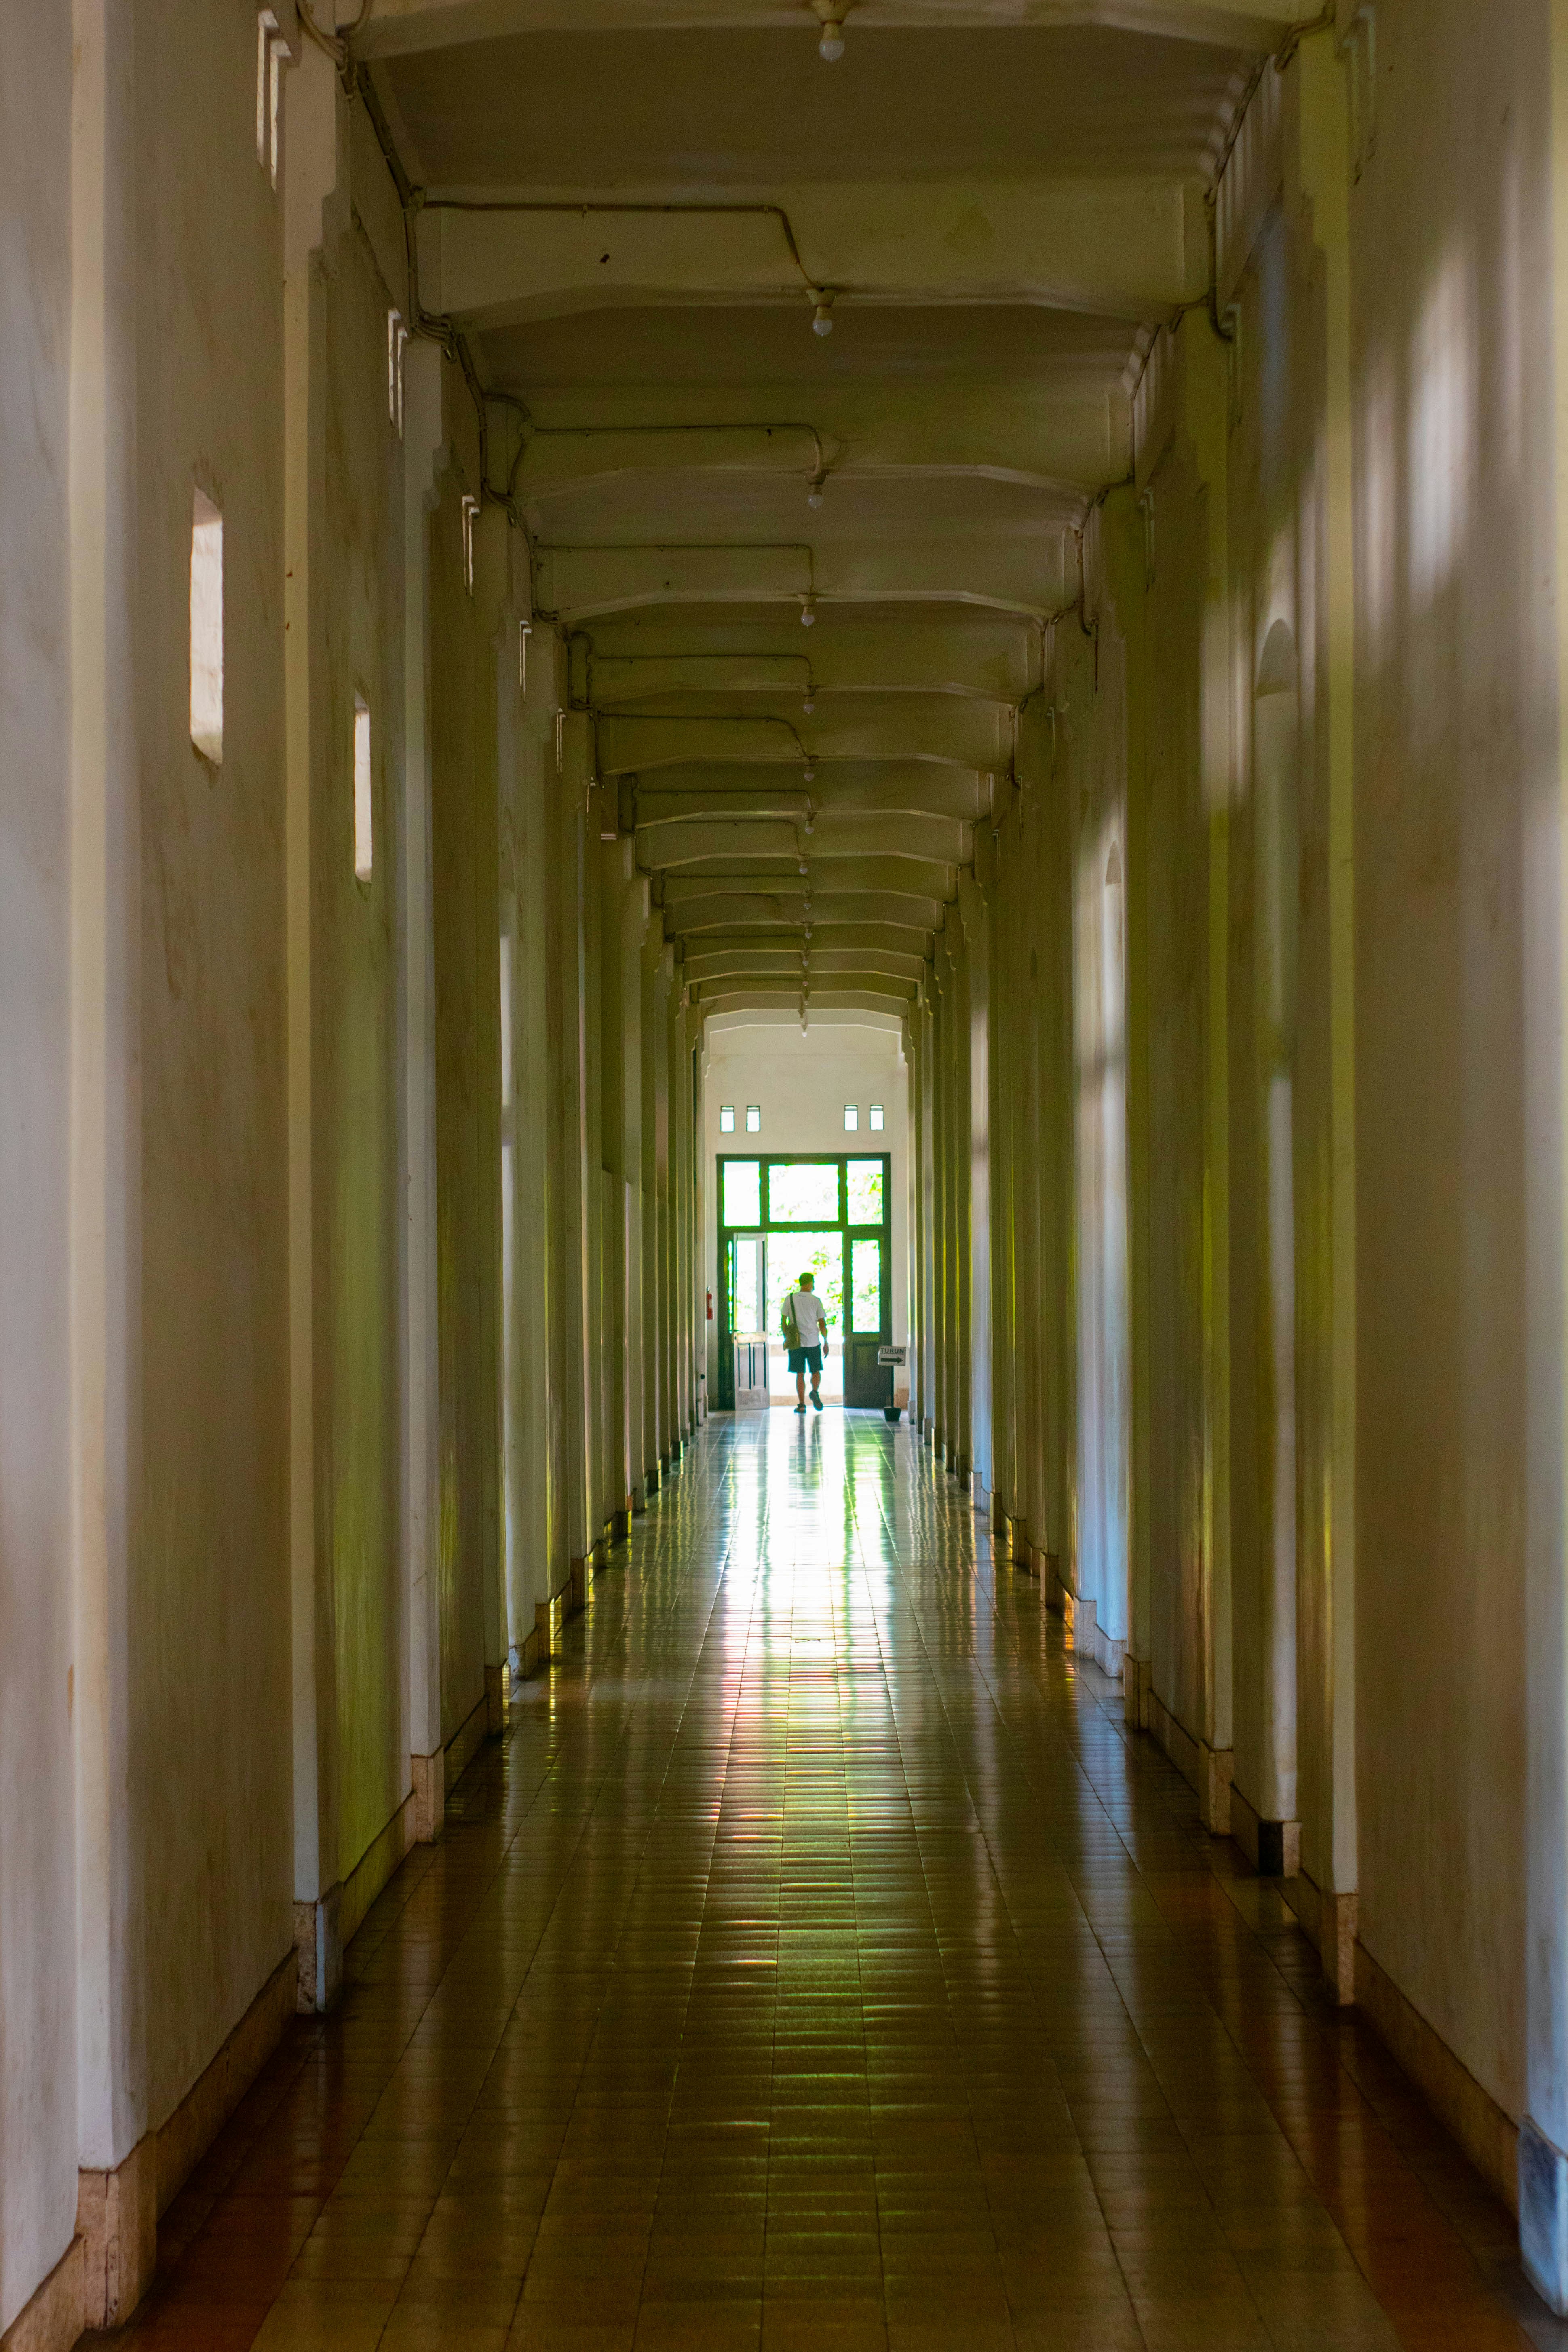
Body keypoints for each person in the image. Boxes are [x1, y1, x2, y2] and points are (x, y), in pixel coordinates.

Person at [784, 1271, 831, 1413]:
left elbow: (783, 1321)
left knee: (800, 1374)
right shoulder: (816, 1300)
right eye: (813, 1283)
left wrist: (786, 1338)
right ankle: (815, 1392)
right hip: (813, 1342)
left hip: (796, 1343)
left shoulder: (790, 1299)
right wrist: (826, 1341)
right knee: (816, 1371)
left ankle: (802, 1405)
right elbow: (822, 1323)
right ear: (810, 1283)